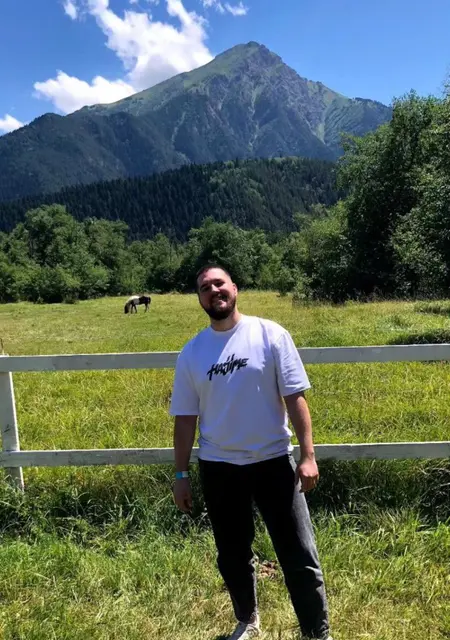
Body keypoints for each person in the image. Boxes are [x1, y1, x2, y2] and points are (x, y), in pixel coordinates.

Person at [170, 264, 332, 640]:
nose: (213, 290)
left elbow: (295, 398)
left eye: (219, 283)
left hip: (274, 462)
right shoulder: (192, 353)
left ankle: (316, 632)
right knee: (231, 554)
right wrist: (180, 475)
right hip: (219, 467)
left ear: (235, 288)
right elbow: (185, 419)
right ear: (199, 299)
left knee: (299, 553)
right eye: (205, 287)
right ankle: (247, 620)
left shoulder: (270, 334)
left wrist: (308, 456)